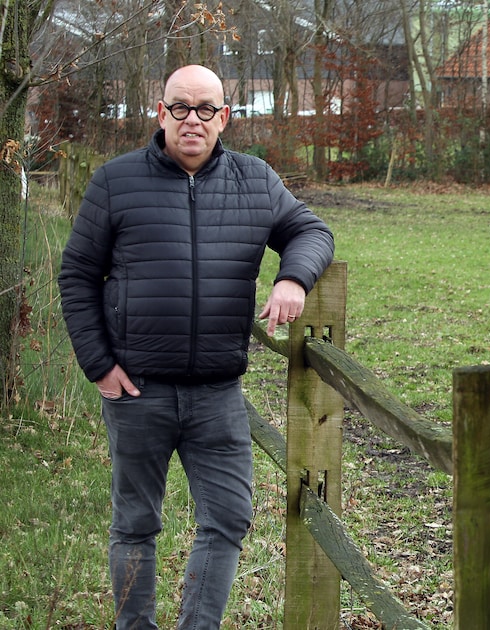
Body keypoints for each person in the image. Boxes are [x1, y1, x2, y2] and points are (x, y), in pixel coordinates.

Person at [58, 65, 334, 629]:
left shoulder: (255, 180)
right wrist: (99, 366)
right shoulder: (116, 182)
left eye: (206, 108)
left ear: (224, 116)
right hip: (137, 391)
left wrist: (292, 278)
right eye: (180, 107)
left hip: (218, 394)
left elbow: (313, 231)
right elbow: (77, 275)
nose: (192, 119)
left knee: (228, 518)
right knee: (135, 523)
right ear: (160, 113)